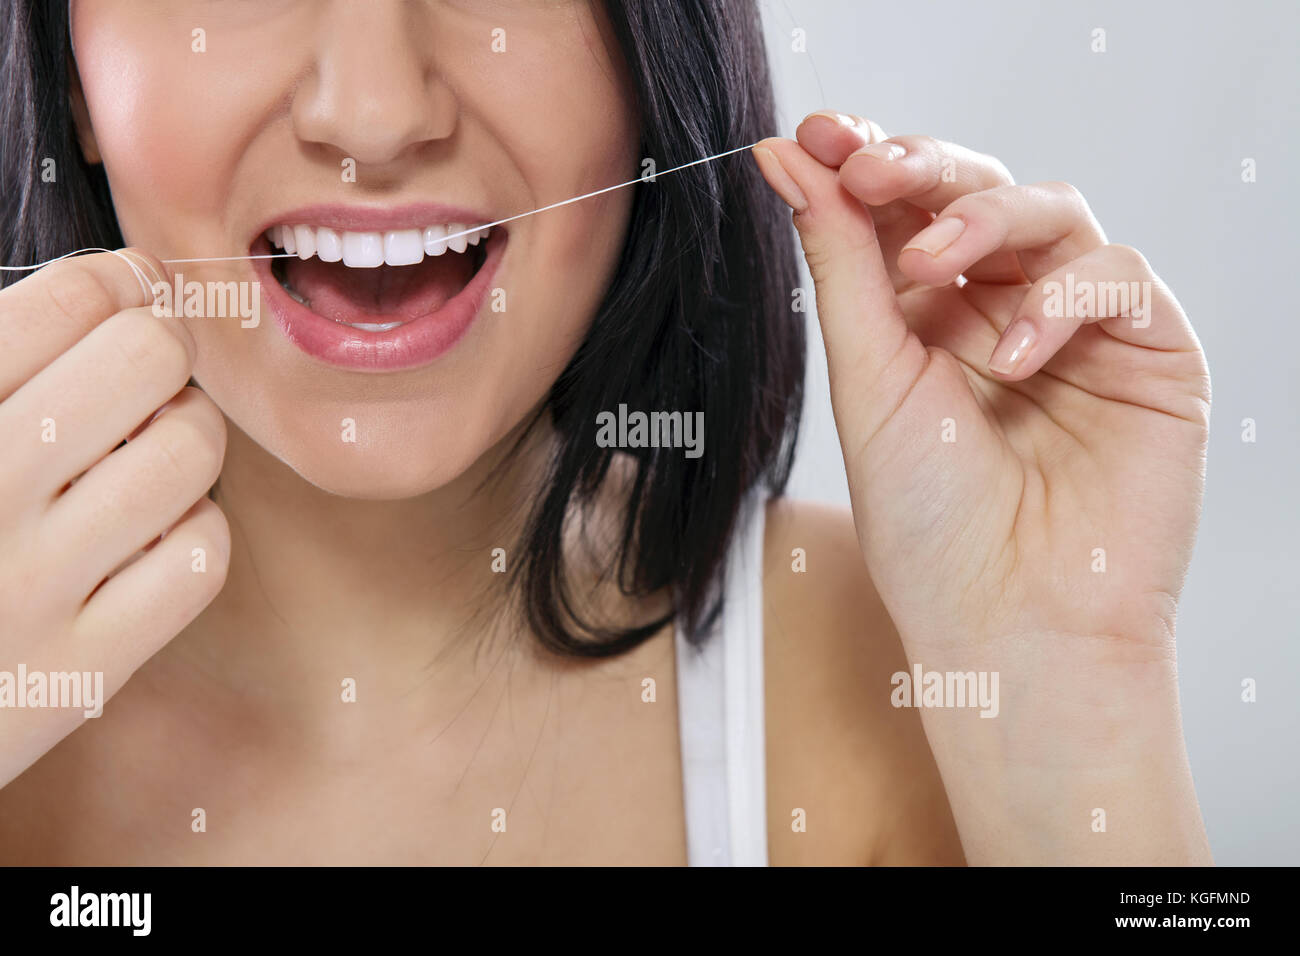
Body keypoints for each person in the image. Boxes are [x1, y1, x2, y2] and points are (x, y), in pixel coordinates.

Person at [0, 0, 1211, 865]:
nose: (372, 112)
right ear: (70, 77)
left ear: (651, 54)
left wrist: (1073, 711)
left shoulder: (889, 672)